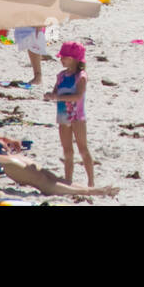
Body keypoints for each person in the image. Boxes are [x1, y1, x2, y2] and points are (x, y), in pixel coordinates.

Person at [0, 74, 117, 197]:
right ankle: (90, 192)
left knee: (35, 167)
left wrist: (3, 139)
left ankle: (82, 188)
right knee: (36, 177)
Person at [42, 41, 96, 187]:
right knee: (67, 151)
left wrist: (58, 97)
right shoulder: (61, 76)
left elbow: (78, 96)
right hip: (62, 116)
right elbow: (56, 92)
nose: (61, 60)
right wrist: (50, 95)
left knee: (83, 149)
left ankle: (91, 181)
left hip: (77, 117)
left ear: (72, 59)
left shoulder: (81, 76)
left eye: (64, 57)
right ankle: (68, 180)